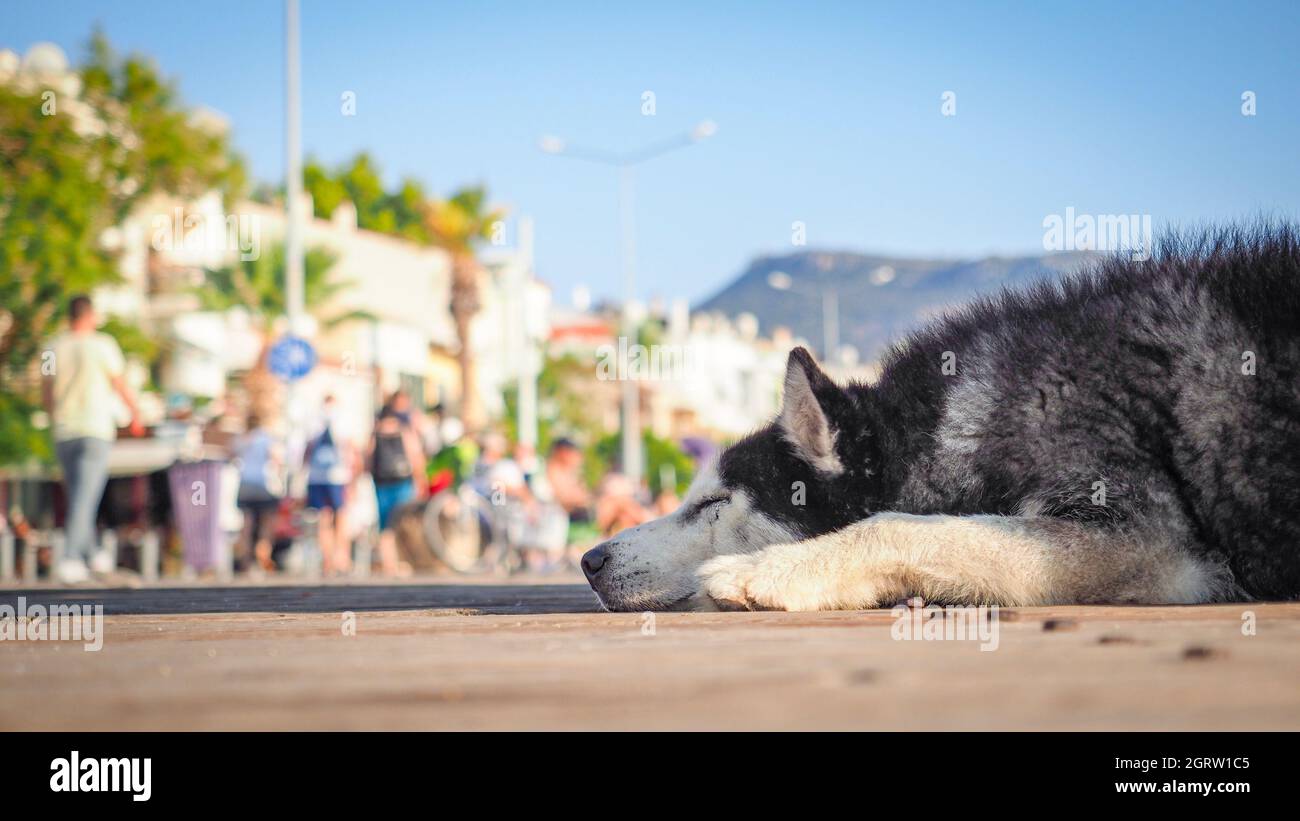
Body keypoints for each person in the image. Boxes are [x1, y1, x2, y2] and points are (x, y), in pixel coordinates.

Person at [43, 294, 143, 583]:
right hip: (95, 428)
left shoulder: (51, 347)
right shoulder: (103, 345)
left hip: (63, 430)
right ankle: (71, 558)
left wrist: (54, 415)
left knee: (78, 495)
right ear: (89, 315)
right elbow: (119, 382)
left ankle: (94, 555)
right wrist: (135, 413)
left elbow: (46, 391)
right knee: (85, 497)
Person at [368, 405, 424, 576]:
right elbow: (416, 458)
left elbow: (367, 460)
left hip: (382, 484)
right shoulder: (404, 432)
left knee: (385, 526)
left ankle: (389, 564)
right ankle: (405, 562)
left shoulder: (374, 435)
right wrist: (420, 480)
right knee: (403, 522)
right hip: (403, 484)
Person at [304, 395, 354, 575]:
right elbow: (351, 450)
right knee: (341, 517)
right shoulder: (342, 422)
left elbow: (307, 452)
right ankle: (341, 558)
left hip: (317, 477)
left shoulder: (313, 422)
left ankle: (328, 560)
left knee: (323, 518)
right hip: (338, 477)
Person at [233, 414, 284, 573]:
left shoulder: (241, 439)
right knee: (266, 523)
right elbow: (277, 459)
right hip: (264, 485)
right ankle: (263, 555)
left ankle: (245, 560)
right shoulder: (267, 438)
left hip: (245, 484)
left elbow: (231, 455)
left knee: (246, 524)